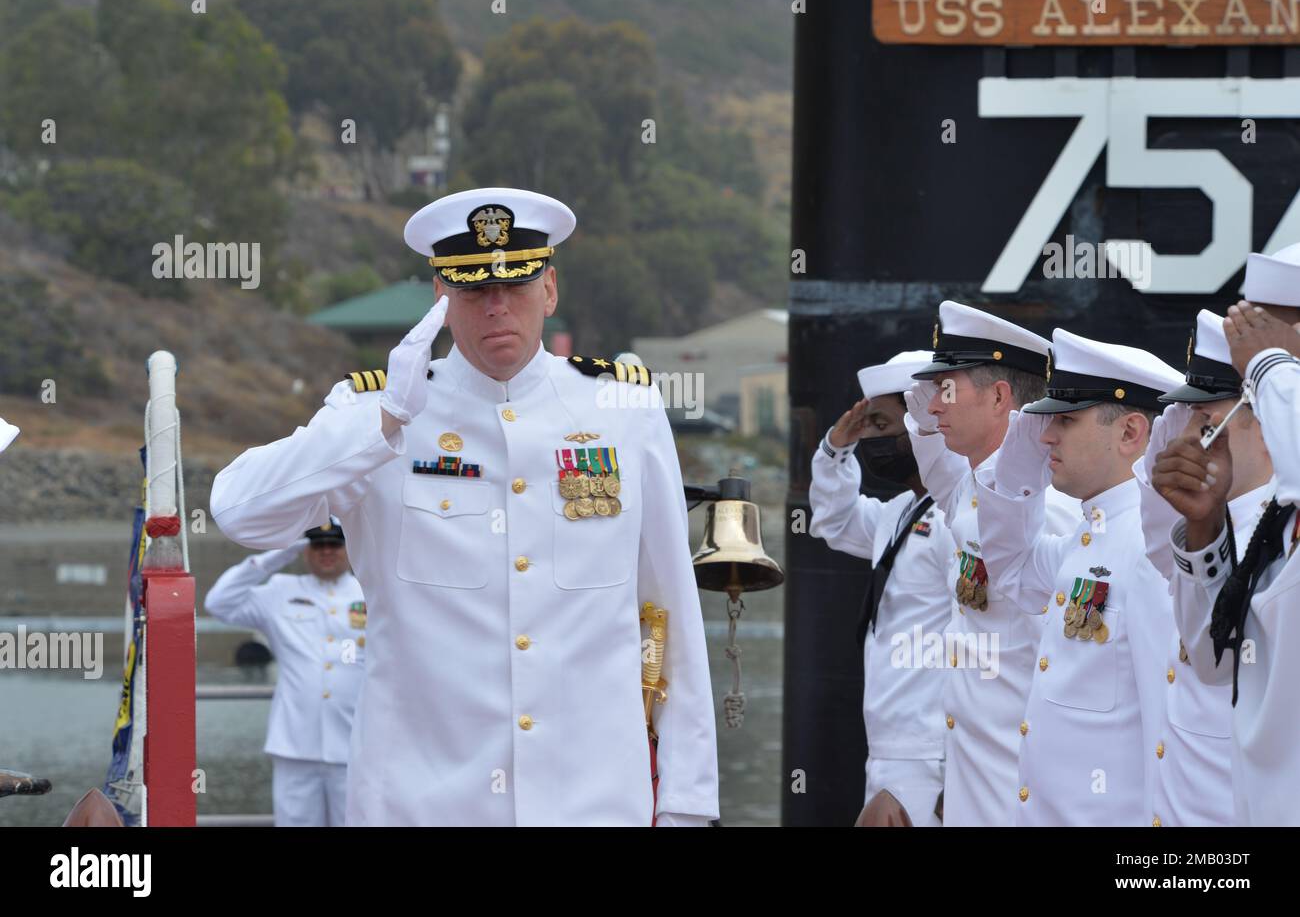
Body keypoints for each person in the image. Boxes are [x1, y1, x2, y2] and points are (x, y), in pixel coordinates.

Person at [211, 188, 718, 826]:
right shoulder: (375, 412)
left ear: (551, 289)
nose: (498, 305)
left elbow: (669, 612)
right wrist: (384, 422)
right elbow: (237, 512)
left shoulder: (623, 410)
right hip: (423, 805)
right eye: (474, 289)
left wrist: (687, 807)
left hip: (593, 803)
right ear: (442, 300)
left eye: (518, 283)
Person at [974, 329, 1182, 825]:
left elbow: (1167, 731)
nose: (1044, 436)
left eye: (1065, 420)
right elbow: (1014, 573)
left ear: (1131, 433)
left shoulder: (1152, 550)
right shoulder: (1092, 534)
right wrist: (1017, 477)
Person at [903, 301, 1076, 826]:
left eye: (948, 391)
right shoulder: (973, 491)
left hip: (1022, 792)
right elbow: (945, 479)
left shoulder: (1051, 509)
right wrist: (926, 431)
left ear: (1001, 396)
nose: (935, 407)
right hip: (972, 785)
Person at [1155, 243, 1300, 825]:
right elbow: (1215, 659)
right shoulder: (1278, 519)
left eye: (1266, 333)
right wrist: (1204, 526)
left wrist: (1269, 367)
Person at [1134, 310, 1273, 826]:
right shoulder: (1210, 528)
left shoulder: (1281, 535)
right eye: (1190, 419)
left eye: (1208, 421)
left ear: (1265, 416)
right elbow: (1209, 656)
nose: (1193, 436)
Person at [809, 350, 952, 827]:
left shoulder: (962, 518)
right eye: (867, 425)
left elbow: (988, 646)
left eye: (881, 424)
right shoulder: (901, 512)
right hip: (890, 745)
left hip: (934, 754)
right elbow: (835, 520)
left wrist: (958, 777)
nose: (872, 437)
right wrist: (836, 449)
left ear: (920, 426)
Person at [205, 520, 365, 826]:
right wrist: (278, 553)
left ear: (349, 547)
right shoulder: (281, 591)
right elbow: (218, 602)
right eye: (318, 545)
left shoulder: (371, 593)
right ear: (306, 549)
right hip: (295, 745)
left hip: (354, 745)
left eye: (335, 544)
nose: (327, 551)